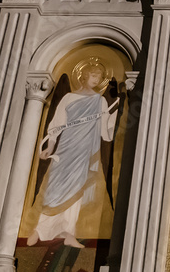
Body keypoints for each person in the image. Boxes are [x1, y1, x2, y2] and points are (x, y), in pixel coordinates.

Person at [26, 59, 119, 248]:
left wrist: (114, 116)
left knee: (77, 190)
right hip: (66, 149)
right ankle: (40, 229)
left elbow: (104, 132)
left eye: (99, 77)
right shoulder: (68, 98)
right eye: (93, 75)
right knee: (55, 187)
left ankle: (69, 233)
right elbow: (56, 124)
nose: (96, 79)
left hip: (85, 151)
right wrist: (50, 147)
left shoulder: (99, 101)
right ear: (84, 76)